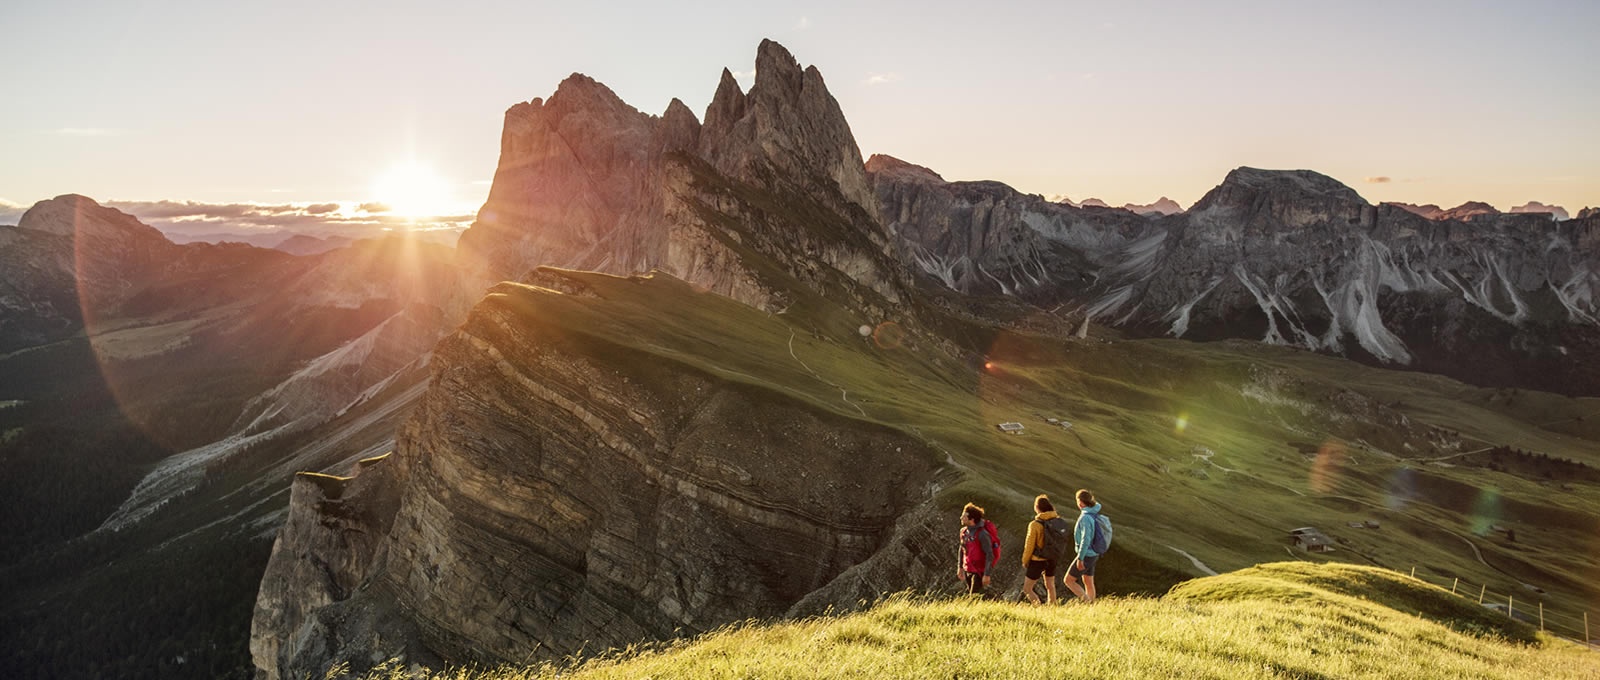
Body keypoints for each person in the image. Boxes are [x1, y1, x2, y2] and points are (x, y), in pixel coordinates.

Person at [1020, 494, 1071, 604]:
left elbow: (1029, 545)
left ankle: (1038, 608)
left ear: (1037, 508)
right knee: (1050, 586)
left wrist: (1025, 561)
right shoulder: (1057, 522)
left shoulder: (1035, 524)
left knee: (1027, 589)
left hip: (1038, 560)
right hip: (1052, 558)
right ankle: (1052, 607)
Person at [1063, 489, 1103, 603]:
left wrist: (1080, 558)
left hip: (1086, 554)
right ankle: (1092, 606)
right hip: (1094, 553)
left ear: (1080, 502)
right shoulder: (1094, 512)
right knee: (1088, 581)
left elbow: (1086, 539)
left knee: (1068, 580)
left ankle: (1088, 603)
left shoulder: (1085, 517)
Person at [956, 502, 997, 596]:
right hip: (968, 569)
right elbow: (962, 548)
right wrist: (960, 567)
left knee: (974, 596)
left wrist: (987, 574)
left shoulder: (982, 534)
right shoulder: (963, 532)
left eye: (964, 516)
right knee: (972, 594)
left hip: (979, 571)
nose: (961, 518)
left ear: (972, 519)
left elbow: (989, 554)